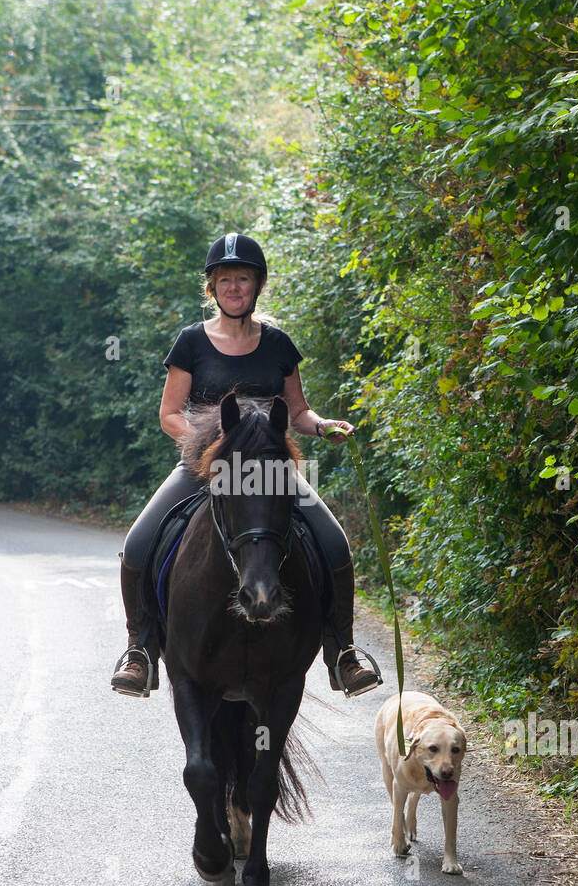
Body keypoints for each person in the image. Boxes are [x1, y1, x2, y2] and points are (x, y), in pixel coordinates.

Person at [111, 232, 383, 699]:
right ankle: (139, 650)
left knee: (335, 543)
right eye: (225, 280)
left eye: (243, 279)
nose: (234, 287)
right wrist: (208, 445)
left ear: (256, 286)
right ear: (212, 288)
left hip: (272, 470)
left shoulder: (277, 344)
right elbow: (169, 414)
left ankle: (343, 652)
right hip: (206, 466)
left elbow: (297, 412)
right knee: (137, 542)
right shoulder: (191, 343)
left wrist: (322, 426)